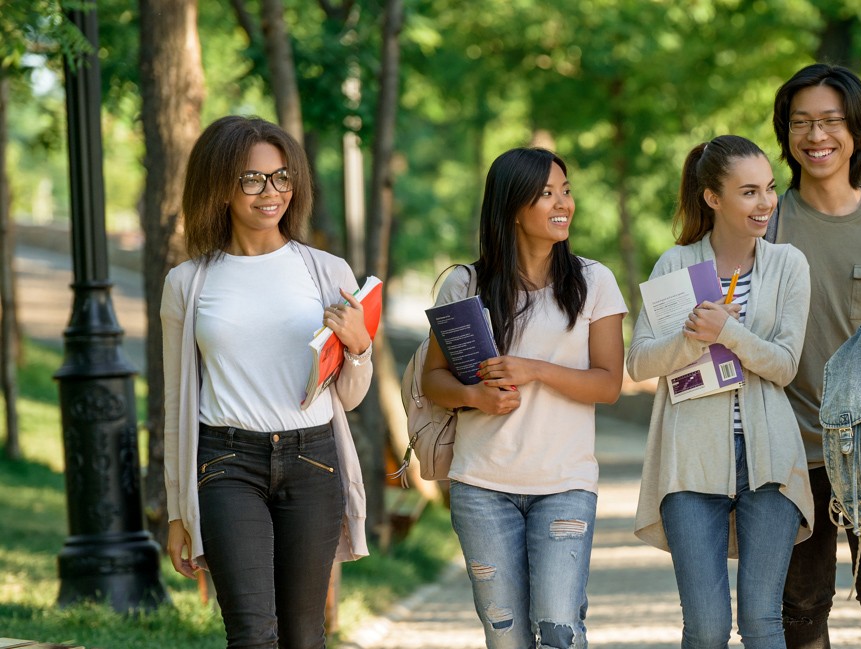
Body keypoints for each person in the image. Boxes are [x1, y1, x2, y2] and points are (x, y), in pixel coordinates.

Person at [162, 115, 372, 648]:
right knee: (251, 635)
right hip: (225, 463)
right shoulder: (187, 283)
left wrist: (359, 347)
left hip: (312, 460)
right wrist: (178, 511)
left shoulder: (327, 272)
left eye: (281, 177)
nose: (271, 192)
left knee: (303, 635)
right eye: (252, 179)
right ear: (220, 186)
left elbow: (349, 397)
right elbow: (176, 402)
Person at [420, 147, 627, 649]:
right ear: (513, 207)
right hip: (481, 486)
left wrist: (534, 370)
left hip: (565, 482)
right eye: (546, 194)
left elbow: (608, 384)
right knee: (505, 636)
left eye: (566, 191)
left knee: (560, 628)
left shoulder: (594, 281)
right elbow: (433, 381)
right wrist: (475, 396)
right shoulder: (465, 284)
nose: (563, 203)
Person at [629, 135, 813, 649]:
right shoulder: (674, 264)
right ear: (712, 197)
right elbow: (638, 361)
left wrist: (728, 332)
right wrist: (692, 337)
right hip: (690, 458)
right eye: (749, 192)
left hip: (770, 458)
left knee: (762, 621)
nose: (765, 202)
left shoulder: (788, 264)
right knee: (707, 628)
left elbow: (785, 366)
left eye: (769, 189)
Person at [767, 63, 861, 648]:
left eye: (831, 121)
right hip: (790, 451)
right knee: (801, 609)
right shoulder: (763, 227)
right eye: (800, 122)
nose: (816, 136)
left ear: (857, 129)